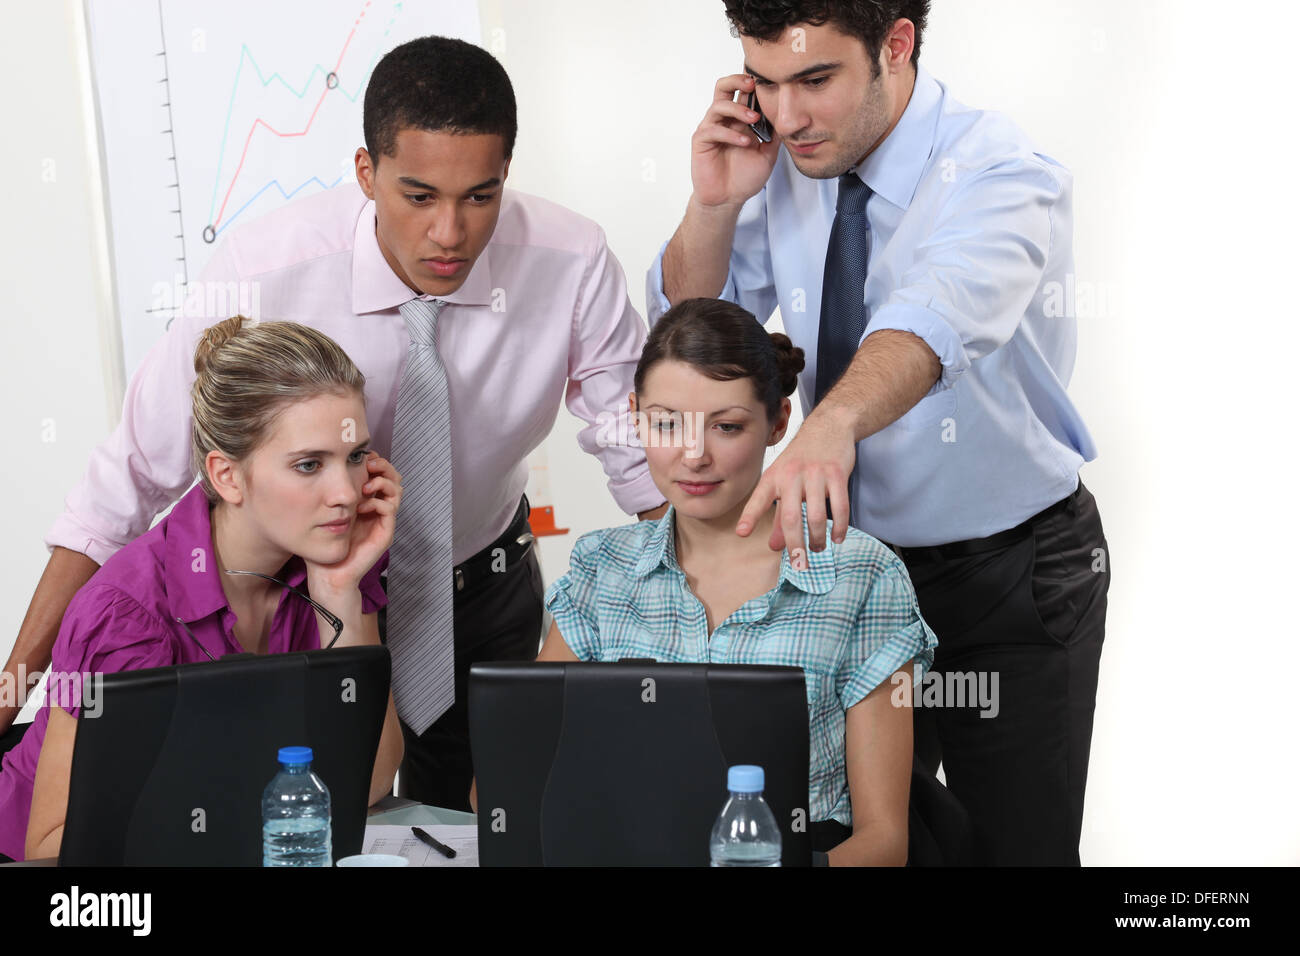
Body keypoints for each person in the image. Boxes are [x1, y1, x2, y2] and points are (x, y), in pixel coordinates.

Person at [0, 36, 667, 813]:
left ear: (506, 175)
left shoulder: (570, 257)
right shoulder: (265, 267)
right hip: (310, 602)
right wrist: (14, 685)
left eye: (479, 197)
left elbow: (639, 458)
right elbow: (126, 480)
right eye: (418, 196)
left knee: (485, 826)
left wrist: (707, 610)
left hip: (484, 589)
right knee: (314, 813)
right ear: (365, 173)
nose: (449, 234)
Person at [649, 1, 1110, 865]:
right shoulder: (781, 158)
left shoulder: (1000, 173)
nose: (786, 118)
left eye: (815, 81)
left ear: (896, 46)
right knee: (848, 837)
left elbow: (931, 319)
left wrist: (831, 425)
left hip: (1003, 578)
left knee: (1014, 852)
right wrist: (713, 207)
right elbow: (695, 334)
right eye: (767, 83)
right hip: (848, 569)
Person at [530, 298, 938, 866]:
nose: (693, 456)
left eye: (726, 426)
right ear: (635, 416)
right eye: (666, 423)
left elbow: (884, 842)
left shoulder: (860, 577)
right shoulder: (604, 569)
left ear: (777, 422)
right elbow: (516, 782)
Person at [0, 316, 404, 861]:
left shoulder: (330, 562)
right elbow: (51, 847)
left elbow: (371, 782)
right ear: (227, 476)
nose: (346, 493)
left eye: (355, 456)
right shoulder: (128, 613)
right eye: (309, 465)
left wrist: (339, 595)